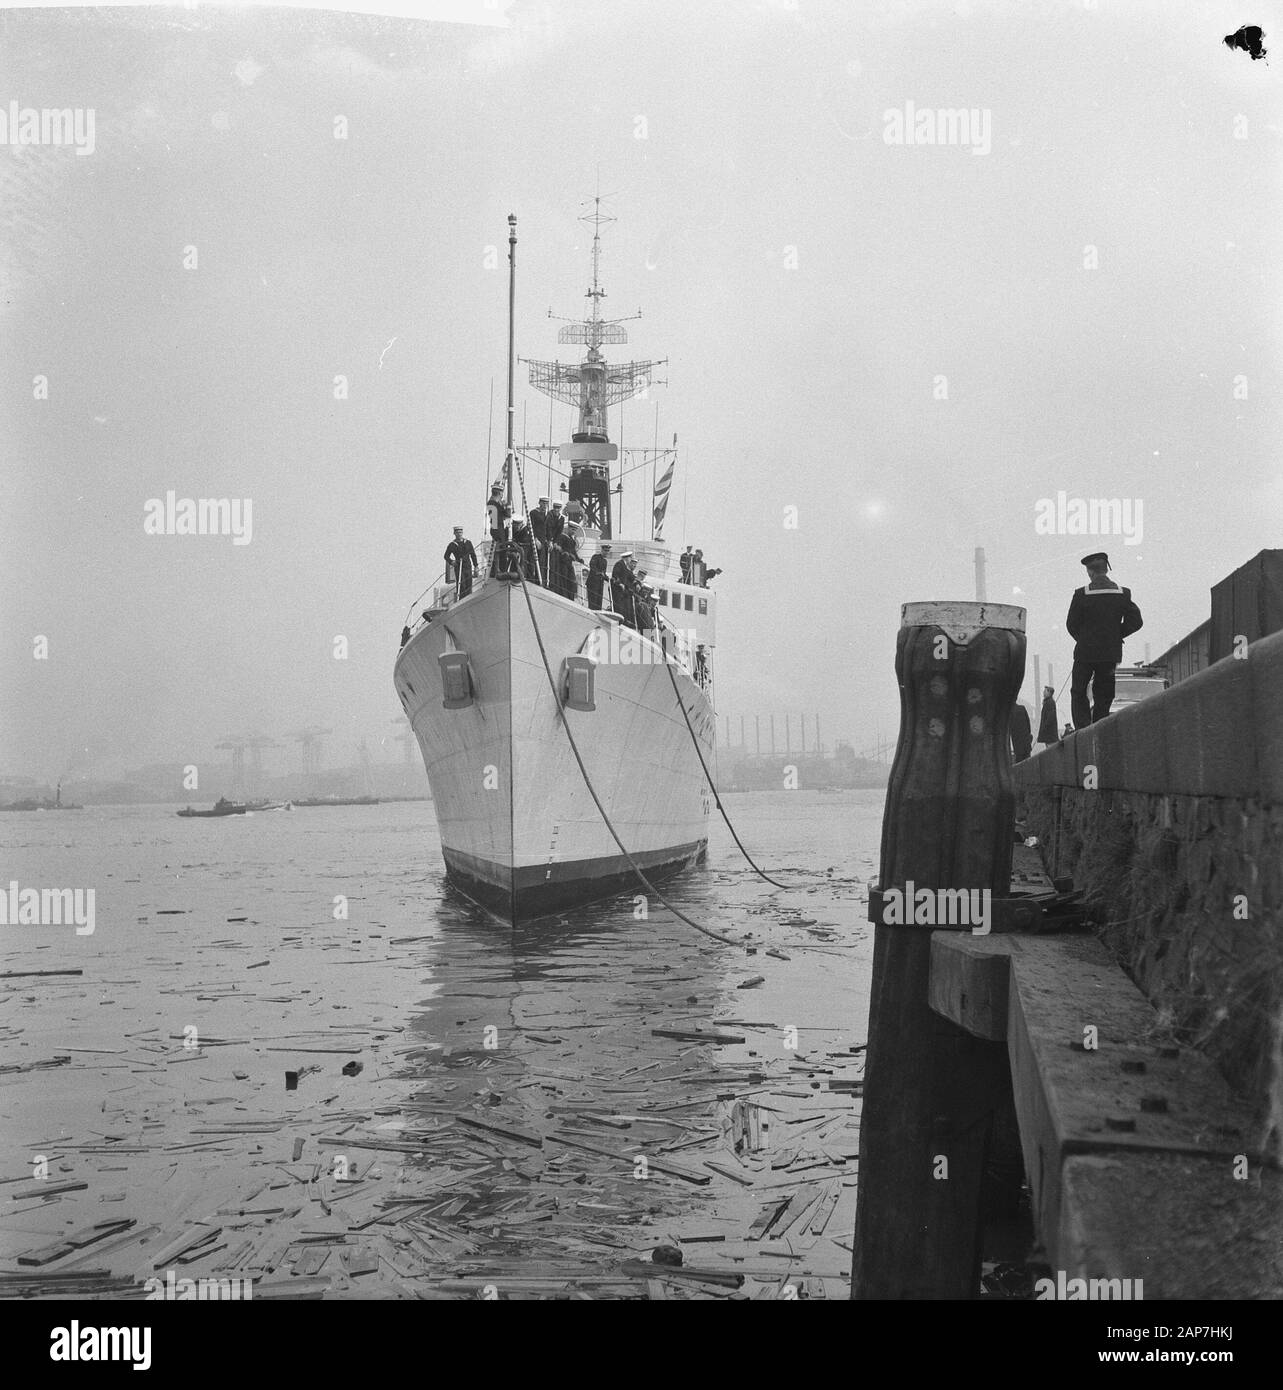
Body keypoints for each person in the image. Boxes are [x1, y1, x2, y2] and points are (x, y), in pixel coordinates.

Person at [1066, 552, 1143, 728]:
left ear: (1090, 572)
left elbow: (1071, 624)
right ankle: (1099, 727)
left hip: (1085, 652)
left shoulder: (1081, 594)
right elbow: (1136, 622)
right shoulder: (1122, 594)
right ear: (1106, 569)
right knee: (1104, 693)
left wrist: (1085, 639)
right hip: (1110, 653)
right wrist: (1116, 635)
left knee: (1078, 690)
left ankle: (1083, 729)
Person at [444, 526, 478, 598]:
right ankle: (461, 598)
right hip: (459, 566)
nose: (459, 534)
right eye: (457, 532)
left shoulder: (468, 543)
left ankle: (469, 597)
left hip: (467, 566)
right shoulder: (452, 545)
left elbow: (473, 555)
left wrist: (476, 566)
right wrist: (452, 562)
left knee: (469, 583)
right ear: (454, 533)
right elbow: (446, 556)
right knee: (461, 584)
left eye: (460, 532)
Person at [486, 481, 511, 576]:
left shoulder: (496, 504)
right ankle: (498, 570)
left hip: (500, 529)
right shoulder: (492, 504)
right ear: (499, 493)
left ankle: (501, 569)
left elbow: (506, 514)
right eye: (501, 493)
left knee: (503, 549)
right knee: (500, 550)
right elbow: (499, 518)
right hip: (497, 529)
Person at [611, 551, 636, 627]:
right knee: (618, 604)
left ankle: (623, 620)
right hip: (617, 588)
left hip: (621, 590)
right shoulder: (620, 564)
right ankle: (619, 619)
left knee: (622, 605)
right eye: (630, 558)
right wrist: (620, 584)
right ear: (626, 558)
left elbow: (630, 576)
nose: (630, 560)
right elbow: (615, 575)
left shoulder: (625, 566)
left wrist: (636, 582)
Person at [529, 496, 551, 582]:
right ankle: (532, 580)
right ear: (539, 503)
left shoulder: (548, 514)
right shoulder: (533, 513)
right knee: (532, 561)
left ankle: (541, 581)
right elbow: (531, 526)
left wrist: (550, 541)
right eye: (543, 503)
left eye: (546, 503)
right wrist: (535, 539)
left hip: (543, 541)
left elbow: (548, 528)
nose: (545, 505)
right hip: (536, 540)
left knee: (542, 563)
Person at [511, 516, 538, 583]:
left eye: (517, 525)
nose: (516, 527)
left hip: (525, 552)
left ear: (521, 524)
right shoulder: (514, 530)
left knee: (524, 565)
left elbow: (524, 541)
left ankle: (524, 578)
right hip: (517, 552)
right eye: (514, 525)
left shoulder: (526, 531)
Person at [587, 546, 609, 611]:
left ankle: (598, 613)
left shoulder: (605, 561)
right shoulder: (595, 557)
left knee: (599, 600)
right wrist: (599, 572)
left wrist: (608, 578)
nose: (606, 552)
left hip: (600, 583)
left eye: (607, 551)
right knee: (593, 600)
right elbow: (592, 565)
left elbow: (604, 573)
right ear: (601, 550)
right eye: (605, 551)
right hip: (593, 583)